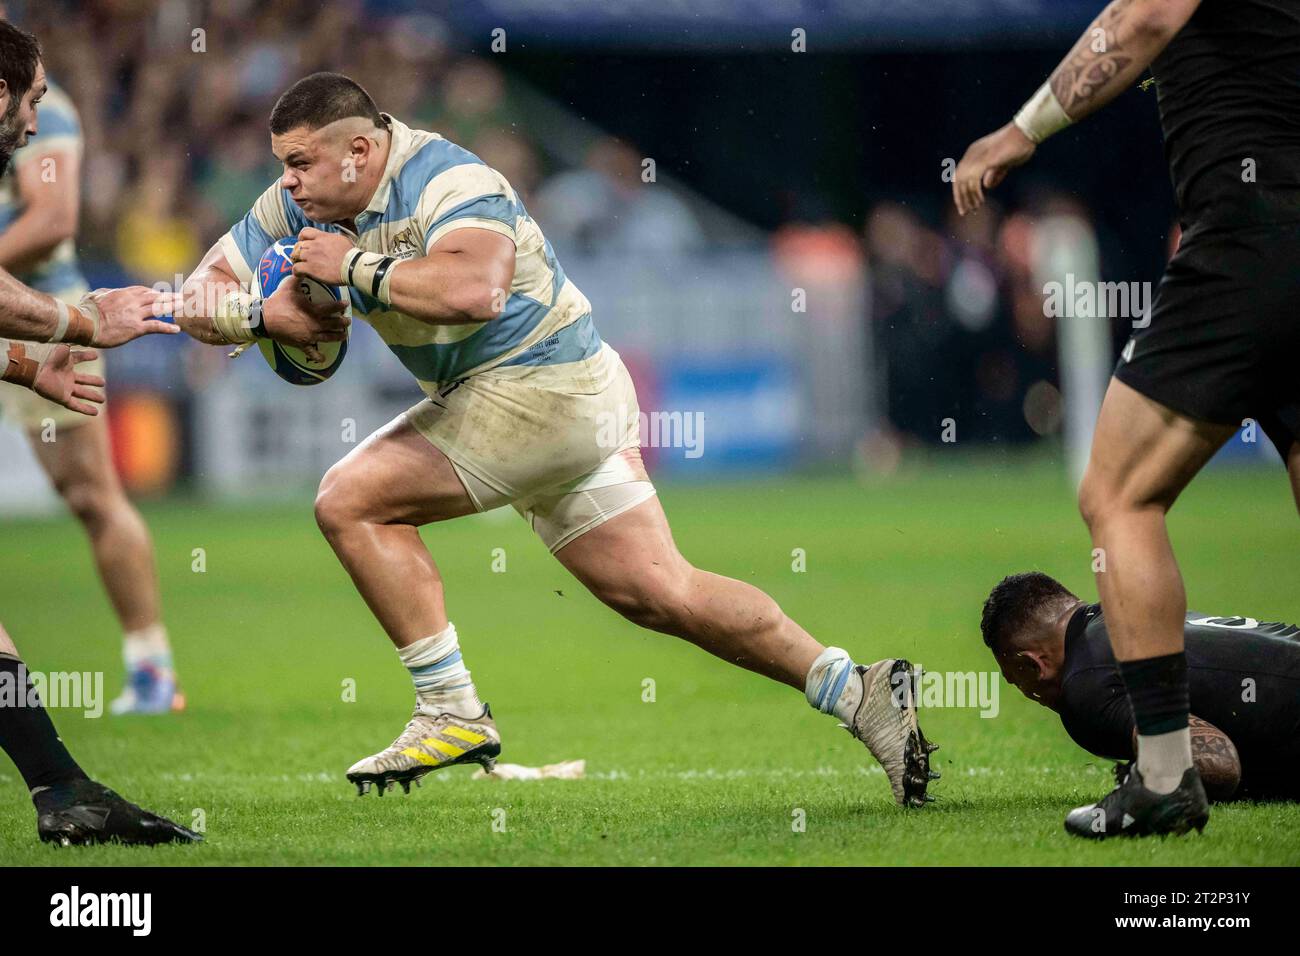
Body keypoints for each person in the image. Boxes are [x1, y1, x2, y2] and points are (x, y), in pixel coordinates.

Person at [175, 72, 937, 806]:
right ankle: (854, 688)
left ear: (362, 153)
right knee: (661, 591)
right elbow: (203, 288)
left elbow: (477, 290)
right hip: (551, 396)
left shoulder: (449, 180)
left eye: (302, 163)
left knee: (349, 501)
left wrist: (357, 268)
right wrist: (258, 316)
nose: (290, 183)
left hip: (542, 386)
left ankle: (450, 711)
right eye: (284, 166)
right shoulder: (295, 203)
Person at [953, 0, 1300, 837]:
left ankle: (1165, 776)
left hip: (1251, 241)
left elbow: (1144, 17)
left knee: (1117, 495)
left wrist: (1021, 130)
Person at [0, 18, 195, 845]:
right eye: (33, 99)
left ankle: (67, 777)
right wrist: (77, 320)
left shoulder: (51, 130)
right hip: (48, 316)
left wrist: (25, 365)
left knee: (91, 495)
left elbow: (52, 218)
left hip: (34, 330)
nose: (39, 121)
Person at [981, 572, 1300, 804]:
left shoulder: (1086, 684)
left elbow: (1218, 765)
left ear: (1033, 664)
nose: (1025, 693)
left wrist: (1155, 777)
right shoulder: (1124, 614)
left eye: (1015, 679)